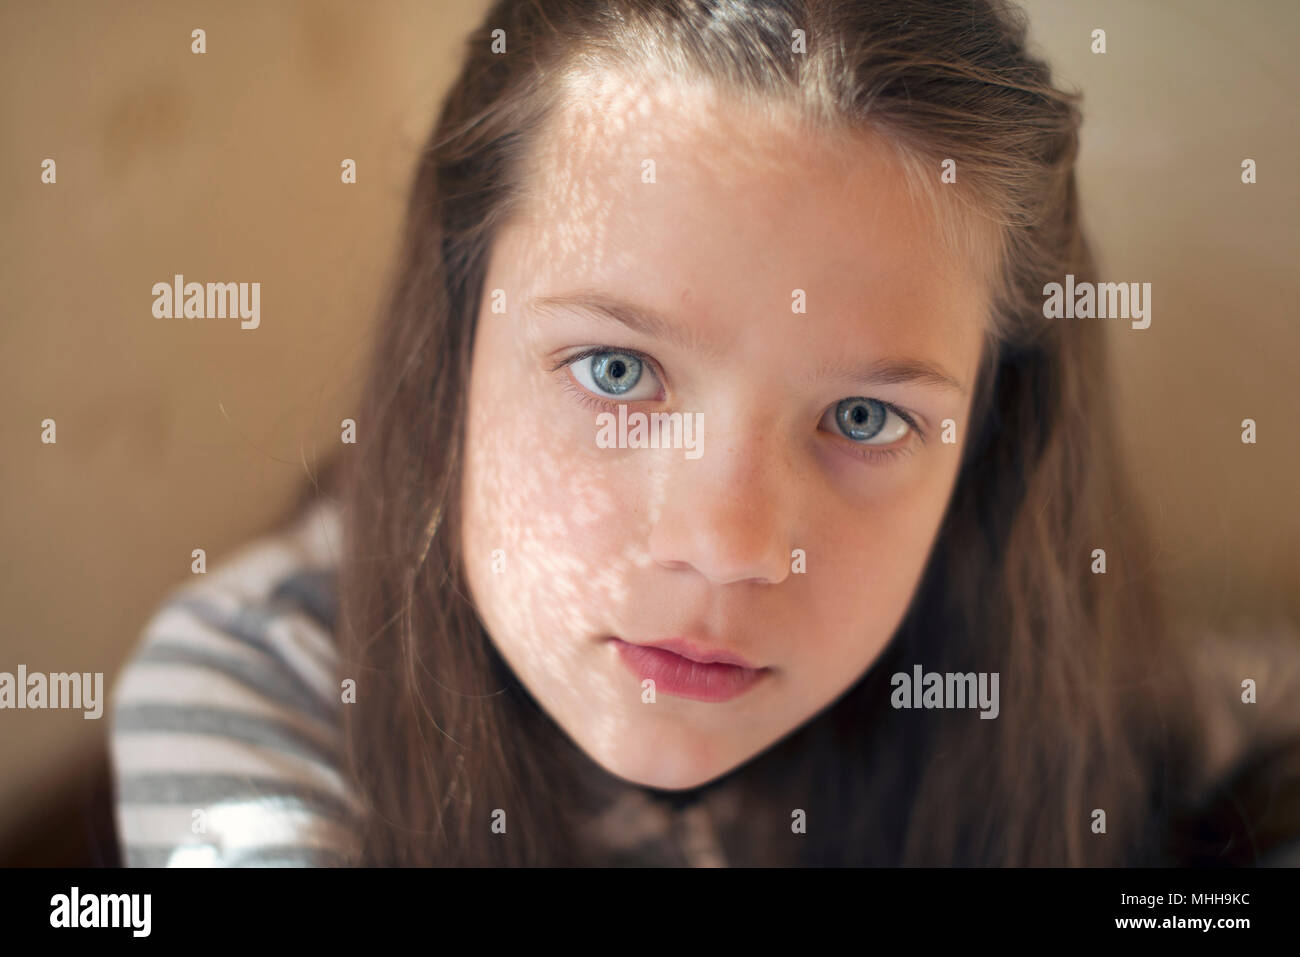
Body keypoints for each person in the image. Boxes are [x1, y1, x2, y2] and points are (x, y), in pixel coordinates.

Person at [110, 0, 1300, 867]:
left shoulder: (1007, 671)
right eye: (617, 371)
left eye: (865, 417)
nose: (729, 543)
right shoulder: (264, 692)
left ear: (984, 451)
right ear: (451, 346)